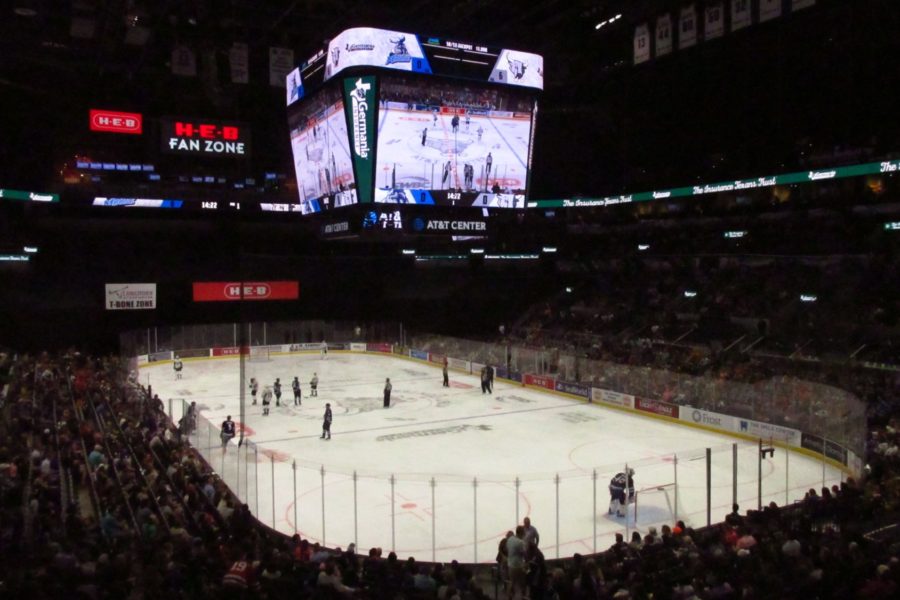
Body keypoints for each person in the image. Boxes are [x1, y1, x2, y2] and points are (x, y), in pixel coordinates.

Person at [506, 526, 526, 600]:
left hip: (510, 564)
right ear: (521, 533)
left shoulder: (510, 539)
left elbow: (507, 549)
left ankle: (509, 597)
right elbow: (524, 554)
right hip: (518, 565)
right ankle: (523, 597)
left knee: (511, 582)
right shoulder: (520, 542)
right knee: (522, 583)